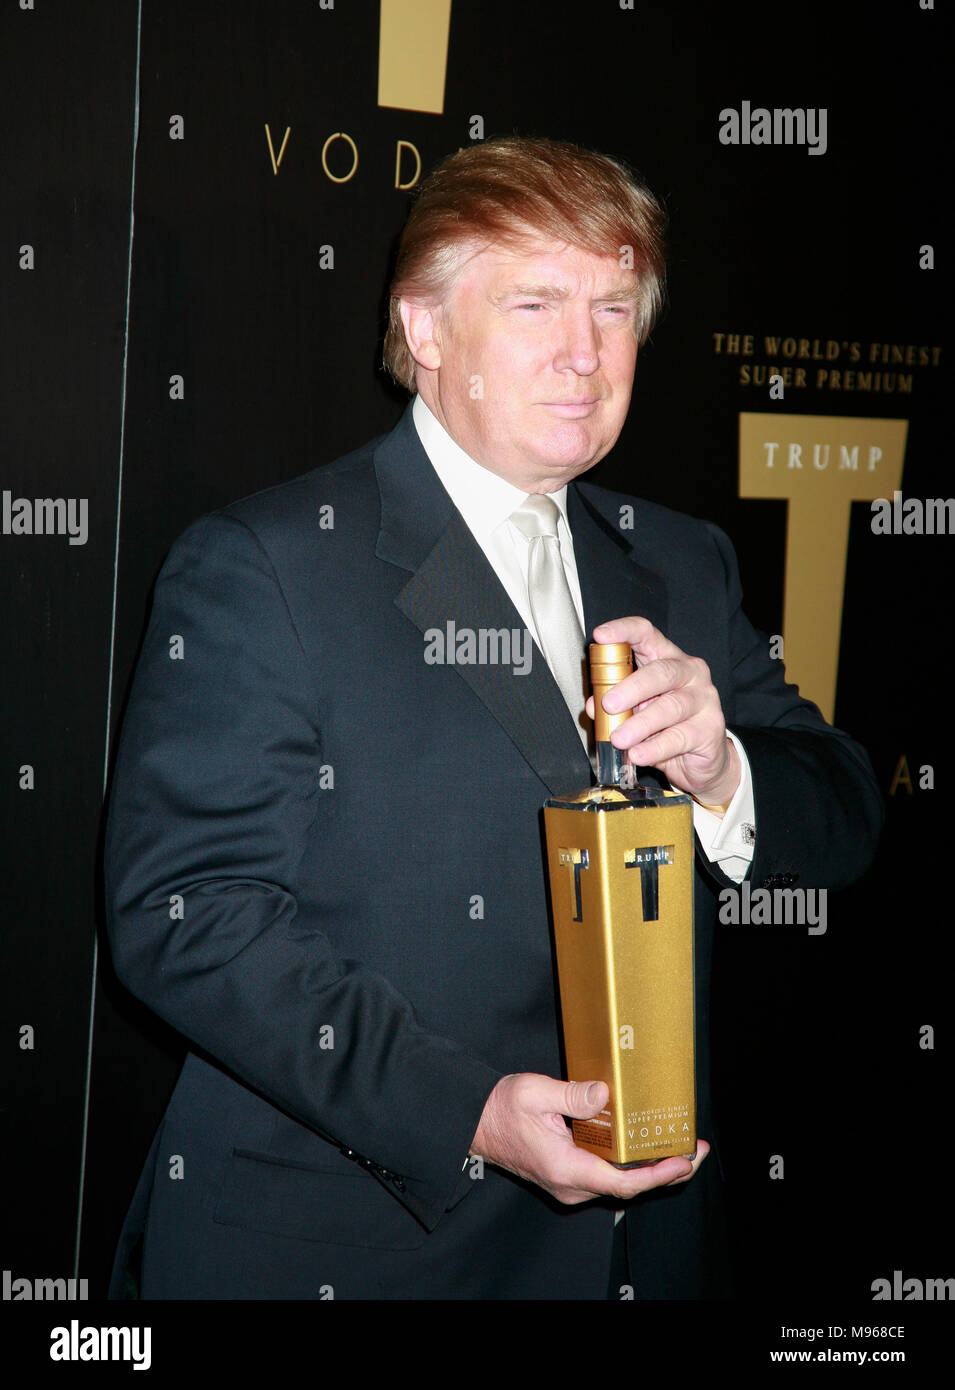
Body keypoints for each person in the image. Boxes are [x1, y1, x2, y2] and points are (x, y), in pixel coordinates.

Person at [105, 136, 881, 1300]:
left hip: (646, 1257)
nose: (585, 353)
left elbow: (842, 808)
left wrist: (724, 768)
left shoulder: (677, 560)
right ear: (424, 331)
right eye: (536, 302)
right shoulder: (267, 566)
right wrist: (466, 1110)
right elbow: (188, 914)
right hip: (357, 1257)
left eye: (614, 308)